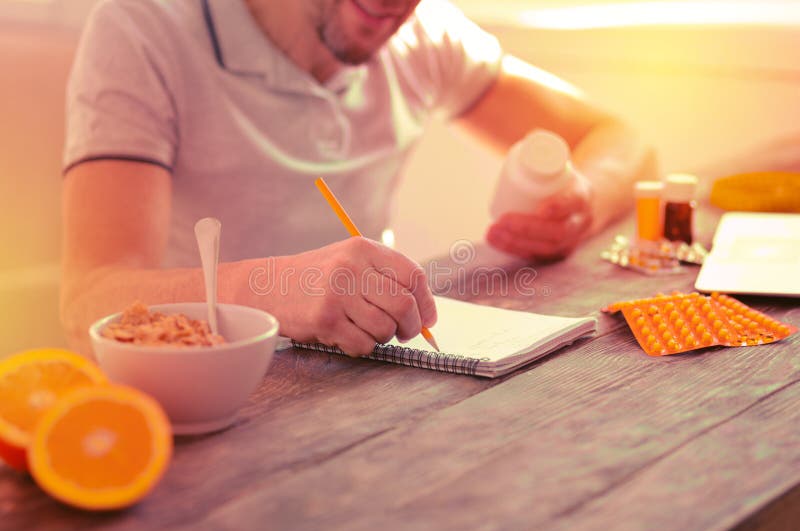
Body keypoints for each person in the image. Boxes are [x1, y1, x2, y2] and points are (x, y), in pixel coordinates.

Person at [61, 0, 657, 357]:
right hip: (200, 393)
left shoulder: (423, 34)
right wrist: (273, 288)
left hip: (368, 374)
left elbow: (622, 139)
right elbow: (89, 297)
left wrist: (585, 202)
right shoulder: (144, 29)